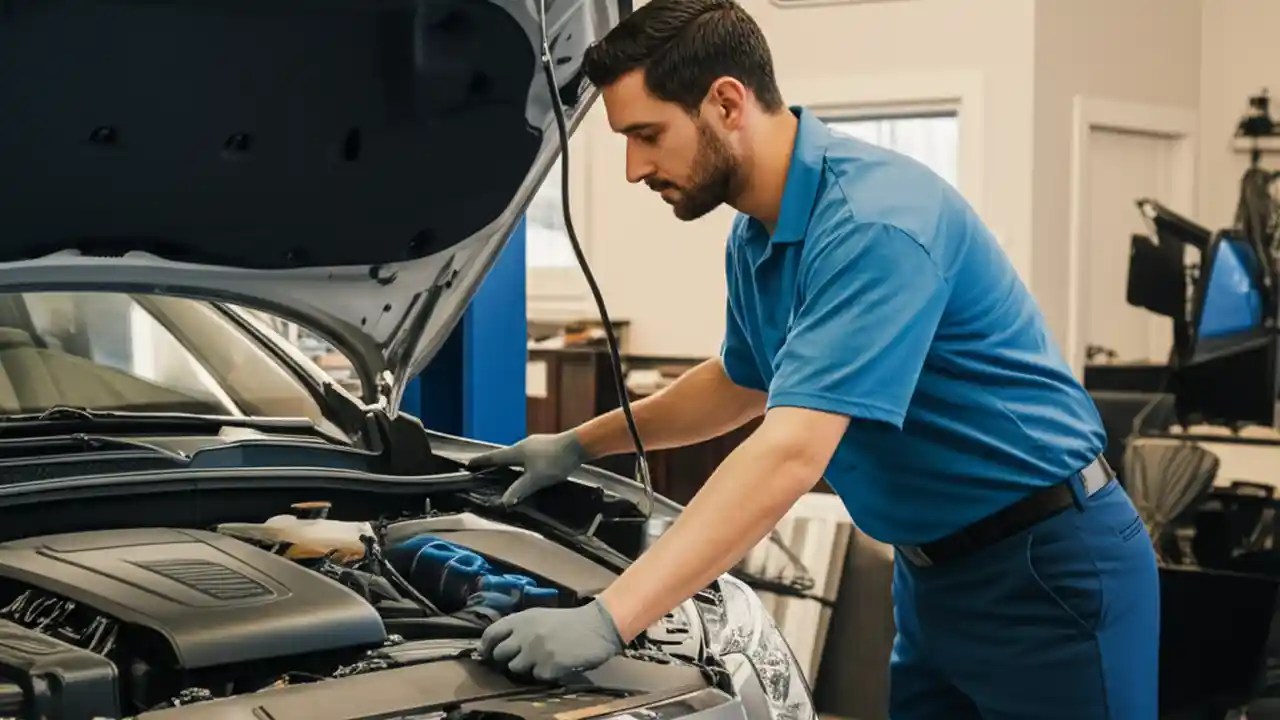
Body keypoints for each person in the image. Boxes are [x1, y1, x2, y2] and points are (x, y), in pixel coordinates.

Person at [468, 1, 1160, 717]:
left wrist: (612, 617)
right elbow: (741, 382)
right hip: (931, 576)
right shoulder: (757, 235)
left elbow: (792, 451)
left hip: (1046, 567)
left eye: (647, 134)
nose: (633, 168)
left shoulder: (872, 222)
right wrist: (581, 444)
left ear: (727, 102)